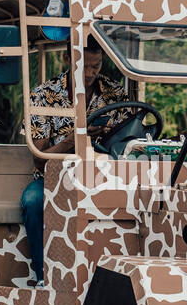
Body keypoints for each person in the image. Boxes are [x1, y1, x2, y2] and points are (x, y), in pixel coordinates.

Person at [20, 38, 130, 282]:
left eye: (96, 66)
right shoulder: (43, 96)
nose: (91, 73)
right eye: (85, 67)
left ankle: (113, 280)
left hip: (104, 177)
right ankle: (43, 277)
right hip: (55, 180)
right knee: (33, 200)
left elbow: (130, 138)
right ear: (67, 59)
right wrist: (73, 140)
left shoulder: (116, 94)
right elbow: (40, 160)